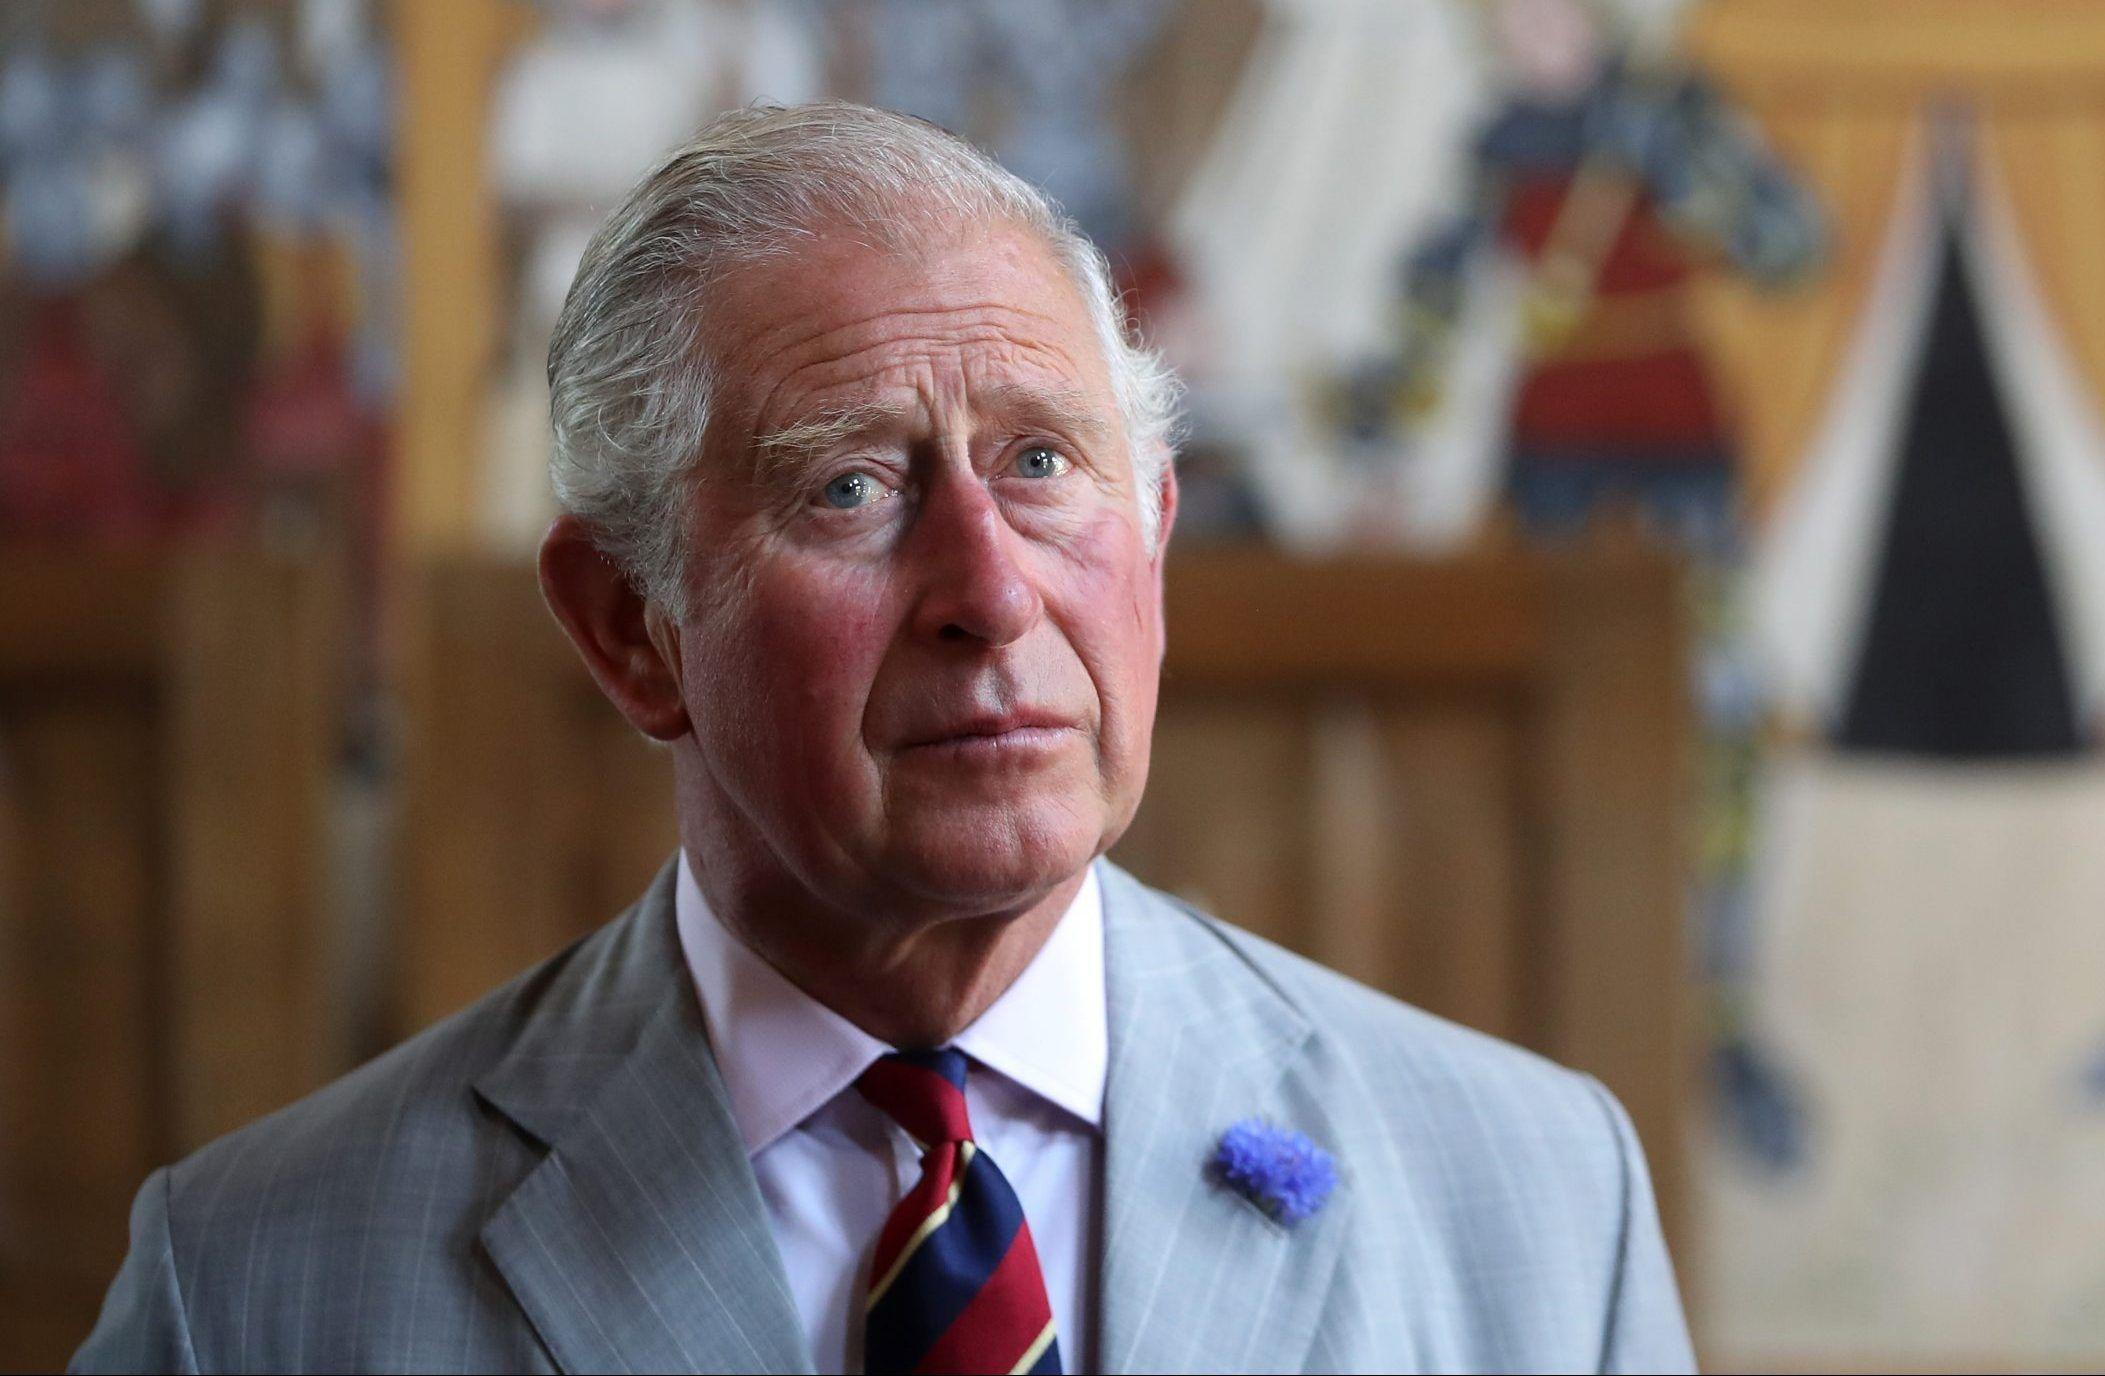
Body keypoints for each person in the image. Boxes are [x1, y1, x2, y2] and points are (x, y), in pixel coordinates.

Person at [73, 102, 1694, 1375]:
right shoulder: (254, 1285)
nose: (989, 593)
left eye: (1045, 464)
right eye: (850, 486)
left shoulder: (1538, 1202)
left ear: (1157, 541)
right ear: (630, 627)